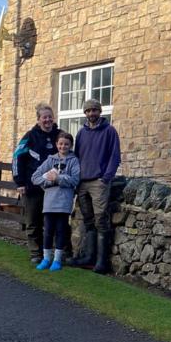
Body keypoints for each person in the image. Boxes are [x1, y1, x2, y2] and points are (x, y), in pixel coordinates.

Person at [71, 98, 121, 273]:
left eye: (95, 110)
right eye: (88, 111)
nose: (91, 113)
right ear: (85, 113)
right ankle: (89, 257)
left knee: (101, 220)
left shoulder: (109, 131)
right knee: (89, 220)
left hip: (99, 182)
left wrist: (106, 178)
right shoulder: (81, 133)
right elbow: (76, 157)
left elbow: (115, 157)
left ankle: (102, 262)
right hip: (83, 182)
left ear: (100, 112)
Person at [12, 102, 60, 263]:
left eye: (50, 117)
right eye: (44, 117)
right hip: (33, 187)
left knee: (55, 221)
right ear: (38, 120)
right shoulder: (29, 136)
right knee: (33, 222)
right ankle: (35, 253)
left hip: (54, 187)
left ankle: (57, 252)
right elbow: (17, 158)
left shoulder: (59, 135)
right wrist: (19, 182)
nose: (47, 120)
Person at [31, 132, 80, 272]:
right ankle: (46, 258)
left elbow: (75, 180)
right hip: (49, 203)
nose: (63, 146)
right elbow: (35, 178)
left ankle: (57, 260)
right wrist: (48, 180)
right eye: (60, 143)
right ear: (56, 144)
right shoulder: (50, 160)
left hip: (64, 203)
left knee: (60, 231)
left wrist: (58, 178)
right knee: (48, 231)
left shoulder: (74, 161)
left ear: (70, 145)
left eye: (66, 144)